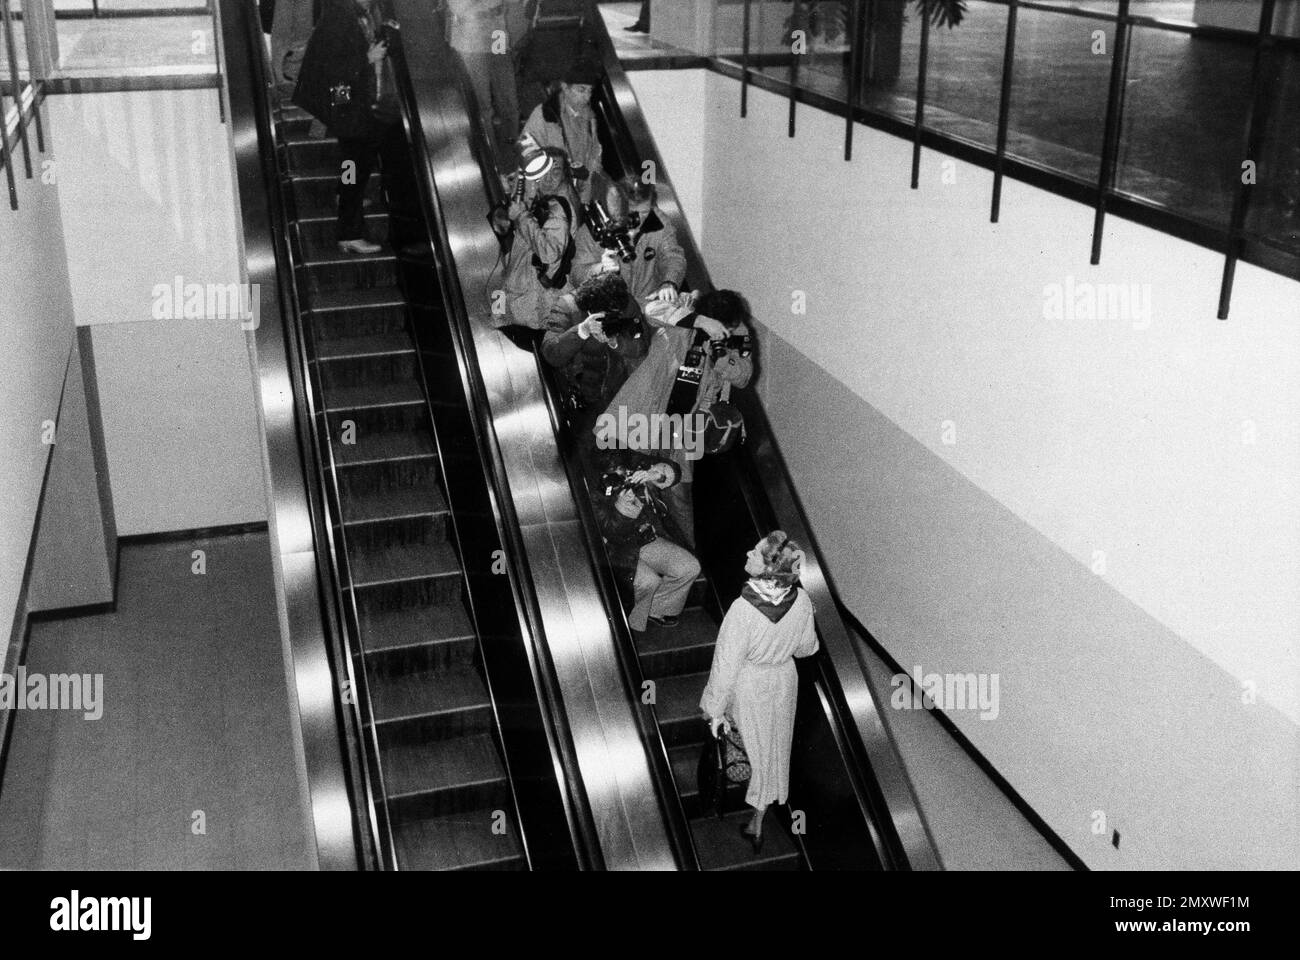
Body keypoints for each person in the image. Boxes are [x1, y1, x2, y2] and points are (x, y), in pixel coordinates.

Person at [598, 288, 755, 546]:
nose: (722, 331)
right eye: (717, 325)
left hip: (685, 425)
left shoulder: (736, 333)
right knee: (624, 472)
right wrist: (700, 321)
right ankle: (617, 537)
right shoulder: (686, 309)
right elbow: (649, 310)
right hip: (646, 410)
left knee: (678, 489)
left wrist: (721, 357)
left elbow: (743, 377)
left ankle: (686, 549)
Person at [700, 531, 818, 853]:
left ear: (767, 568)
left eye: (755, 552)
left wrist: (714, 710)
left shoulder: (743, 609)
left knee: (752, 747)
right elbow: (807, 649)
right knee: (775, 748)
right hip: (783, 680)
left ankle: (749, 802)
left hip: (750, 683)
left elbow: (725, 666)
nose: (747, 554)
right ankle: (758, 820)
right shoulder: (803, 600)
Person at [293, 0, 401, 254]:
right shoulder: (338, 15)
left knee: (352, 161)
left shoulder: (354, 12)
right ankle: (349, 233)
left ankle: (345, 193)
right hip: (347, 103)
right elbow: (331, 65)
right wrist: (368, 57)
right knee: (356, 161)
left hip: (352, 103)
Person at [592, 452, 700, 633]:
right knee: (649, 581)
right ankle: (633, 625)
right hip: (615, 548)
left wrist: (654, 475)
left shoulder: (633, 463)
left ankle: (657, 609)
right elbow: (608, 531)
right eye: (617, 474)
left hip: (646, 538)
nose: (625, 477)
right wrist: (621, 509)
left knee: (690, 567)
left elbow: (674, 471)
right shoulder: (591, 489)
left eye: (625, 472)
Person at [541, 272, 650, 443]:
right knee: (583, 439)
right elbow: (551, 354)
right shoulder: (566, 307)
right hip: (577, 383)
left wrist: (616, 342)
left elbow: (641, 346)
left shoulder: (626, 305)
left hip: (612, 382)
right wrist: (581, 331)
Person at [446, 0, 523, 160]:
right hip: (471, 39)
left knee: (509, 101)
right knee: (484, 106)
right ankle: (492, 160)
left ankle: (513, 155)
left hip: (497, 33)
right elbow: (458, 7)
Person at [522, 59, 605, 203]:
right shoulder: (544, 114)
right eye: (581, 90)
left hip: (576, 194)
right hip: (549, 195)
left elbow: (594, 157)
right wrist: (532, 199)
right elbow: (526, 154)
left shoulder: (590, 118)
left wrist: (585, 199)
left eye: (590, 90)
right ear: (565, 88)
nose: (587, 97)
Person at [603, 176, 686, 304]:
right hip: (610, 305)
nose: (640, 219)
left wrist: (669, 282)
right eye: (633, 213)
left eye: (645, 212)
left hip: (647, 303)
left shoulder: (660, 222)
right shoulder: (599, 225)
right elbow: (578, 270)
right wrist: (600, 268)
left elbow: (672, 256)